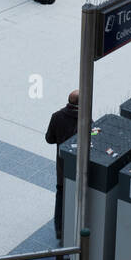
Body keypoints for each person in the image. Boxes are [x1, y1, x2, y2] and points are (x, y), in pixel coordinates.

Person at [45, 90, 81, 240]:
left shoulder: (57, 116)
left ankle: (59, 227)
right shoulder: (85, 120)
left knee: (60, 194)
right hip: (79, 167)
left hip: (62, 166)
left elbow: (49, 139)